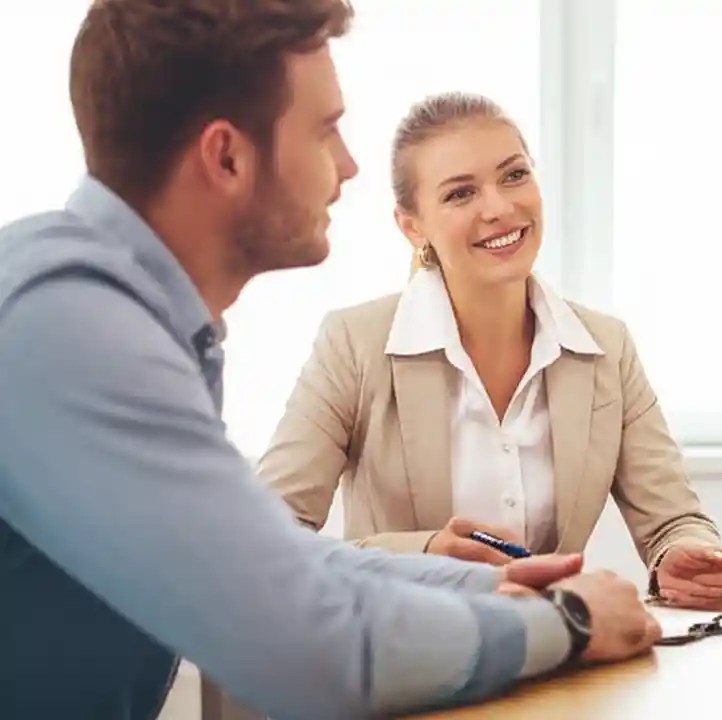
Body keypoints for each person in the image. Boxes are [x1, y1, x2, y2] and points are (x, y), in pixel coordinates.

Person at [0, 3, 661, 719]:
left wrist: (476, 588)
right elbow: (308, 647)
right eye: (325, 131)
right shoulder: (67, 325)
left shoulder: (110, 311)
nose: (346, 167)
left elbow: (267, 565)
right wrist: (567, 624)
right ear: (226, 157)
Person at [259, 91, 722, 611]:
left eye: (514, 175)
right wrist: (422, 554)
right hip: (404, 660)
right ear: (412, 225)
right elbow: (264, 536)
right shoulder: (353, 344)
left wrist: (682, 554)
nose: (499, 208)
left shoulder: (606, 347)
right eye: (460, 194)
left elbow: (673, 520)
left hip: (556, 659)